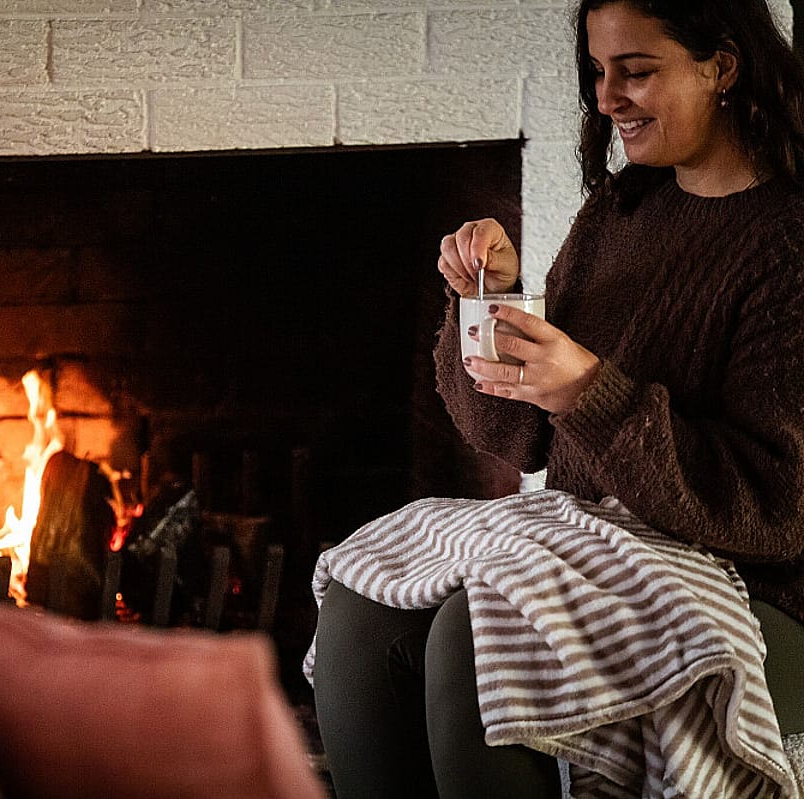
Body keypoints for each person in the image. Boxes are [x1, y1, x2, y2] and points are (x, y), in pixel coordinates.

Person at [309, 1, 804, 796]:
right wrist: (492, 302)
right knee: (364, 604)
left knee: (481, 634)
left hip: (755, 587)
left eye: (636, 71)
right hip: (597, 549)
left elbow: (774, 511)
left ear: (723, 65)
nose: (607, 99)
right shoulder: (621, 210)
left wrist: (591, 391)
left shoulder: (787, 240)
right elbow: (516, 435)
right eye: (597, 73)